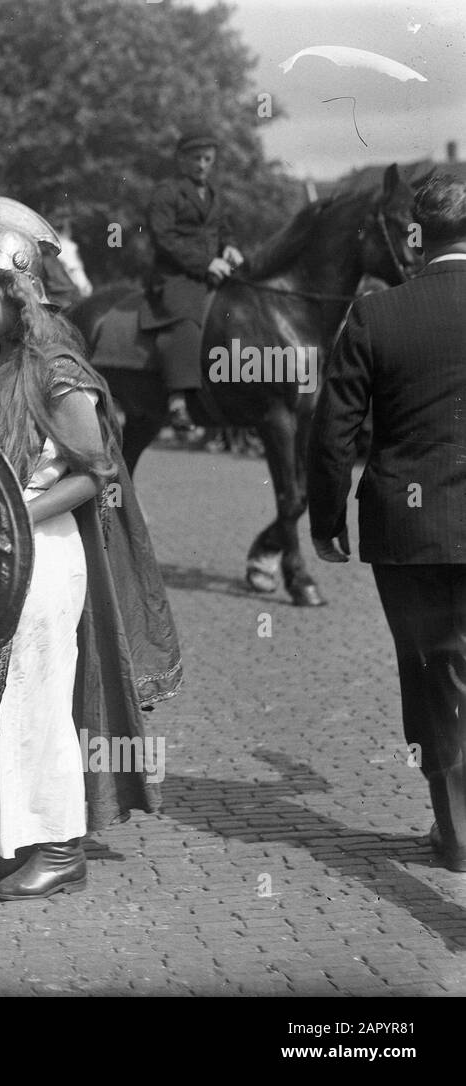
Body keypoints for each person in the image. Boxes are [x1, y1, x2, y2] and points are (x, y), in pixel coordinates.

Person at [0, 195, 182, 900]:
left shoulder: (54, 368)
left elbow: (93, 472)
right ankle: (24, 833)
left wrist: (17, 514)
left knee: (36, 695)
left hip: (41, 558)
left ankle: (62, 848)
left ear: (16, 293)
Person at [308, 172, 466, 874]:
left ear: (416, 236)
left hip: (410, 531)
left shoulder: (375, 316)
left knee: (431, 670)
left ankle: (454, 830)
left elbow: (333, 427)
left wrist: (324, 518)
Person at [142, 128, 245, 431]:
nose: (202, 165)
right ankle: (178, 398)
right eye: (196, 158)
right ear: (181, 160)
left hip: (213, 271)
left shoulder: (214, 194)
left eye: (207, 159)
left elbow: (223, 229)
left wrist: (230, 248)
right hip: (176, 275)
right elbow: (164, 238)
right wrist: (205, 263)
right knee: (186, 317)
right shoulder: (167, 192)